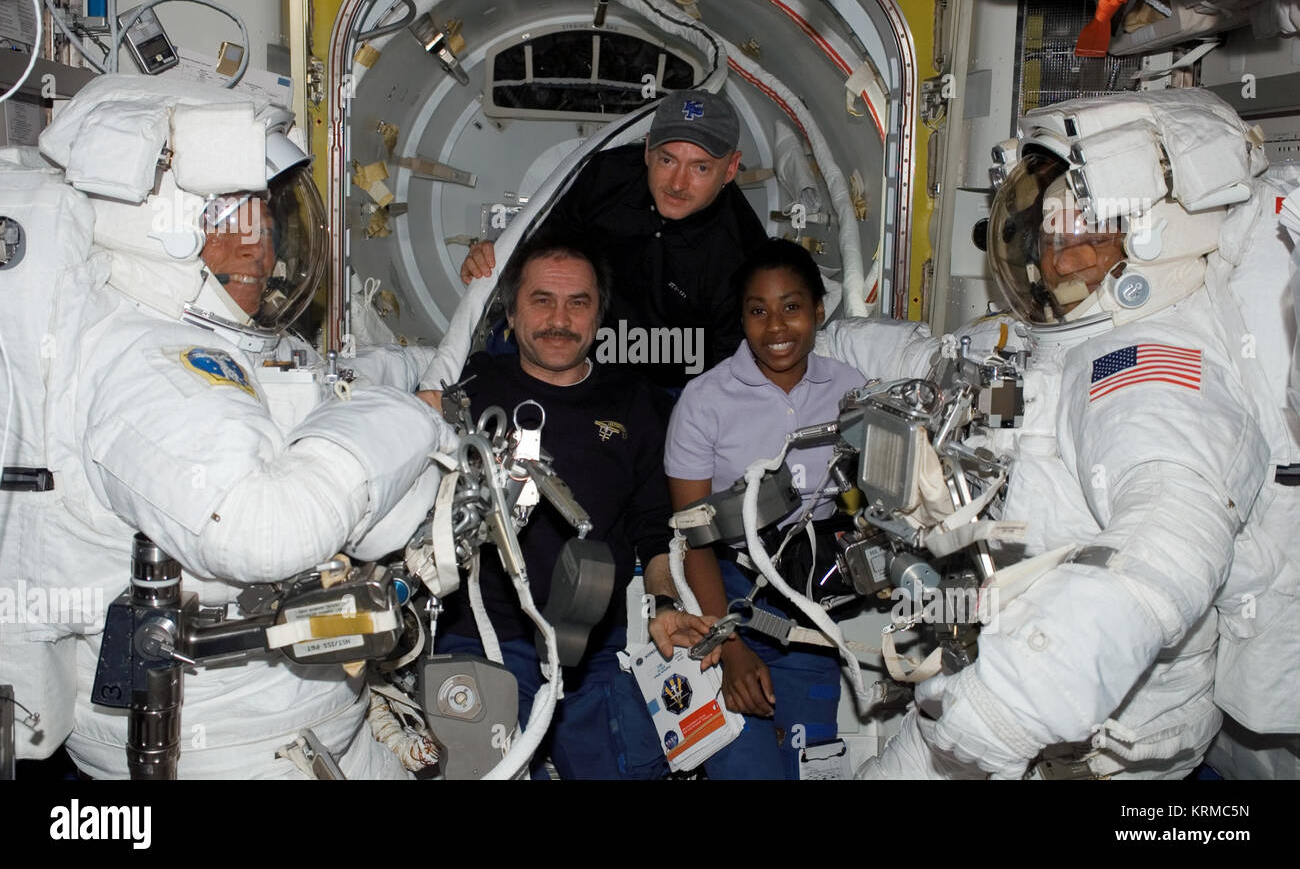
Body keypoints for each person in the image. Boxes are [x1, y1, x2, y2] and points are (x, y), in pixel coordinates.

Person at [1, 75, 457, 779]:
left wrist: (430, 371)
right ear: (154, 223)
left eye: (265, 214)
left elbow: (326, 382)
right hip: (223, 749)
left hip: (311, 721)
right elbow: (261, 527)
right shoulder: (140, 364)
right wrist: (411, 423)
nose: (259, 244)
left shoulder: (214, 340)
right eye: (225, 217)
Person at [855, 87, 1299, 779]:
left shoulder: (1150, 371)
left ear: (1160, 238)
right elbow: (931, 362)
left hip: (1083, 738)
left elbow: (1165, 547)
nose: (1060, 262)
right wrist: (827, 343)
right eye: (1052, 236)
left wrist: (1005, 710)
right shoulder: (1060, 343)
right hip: (1002, 676)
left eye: (1089, 238)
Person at [430, 229, 685, 779]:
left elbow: (654, 529)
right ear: (511, 312)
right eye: (541, 300)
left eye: (578, 303)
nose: (559, 320)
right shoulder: (468, 388)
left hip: (594, 648)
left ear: (598, 317)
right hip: (483, 637)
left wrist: (665, 606)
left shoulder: (634, 403)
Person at [653, 239, 866, 779]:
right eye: (758, 311)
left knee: (809, 763)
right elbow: (693, 534)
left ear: (819, 311)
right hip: (726, 589)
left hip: (814, 600)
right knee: (746, 767)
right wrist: (726, 643)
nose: (775, 328)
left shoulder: (853, 392)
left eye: (791, 307)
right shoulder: (705, 401)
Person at [460, 89, 769, 389]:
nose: (677, 183)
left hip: (669, 380)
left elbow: (729, 370)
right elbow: (542, 247)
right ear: (647, 150)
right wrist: (495, 257)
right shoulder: (606, 176)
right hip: (573, 343)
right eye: (667, 160)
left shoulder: (746, 253)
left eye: (700, 167)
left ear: (730, 168)